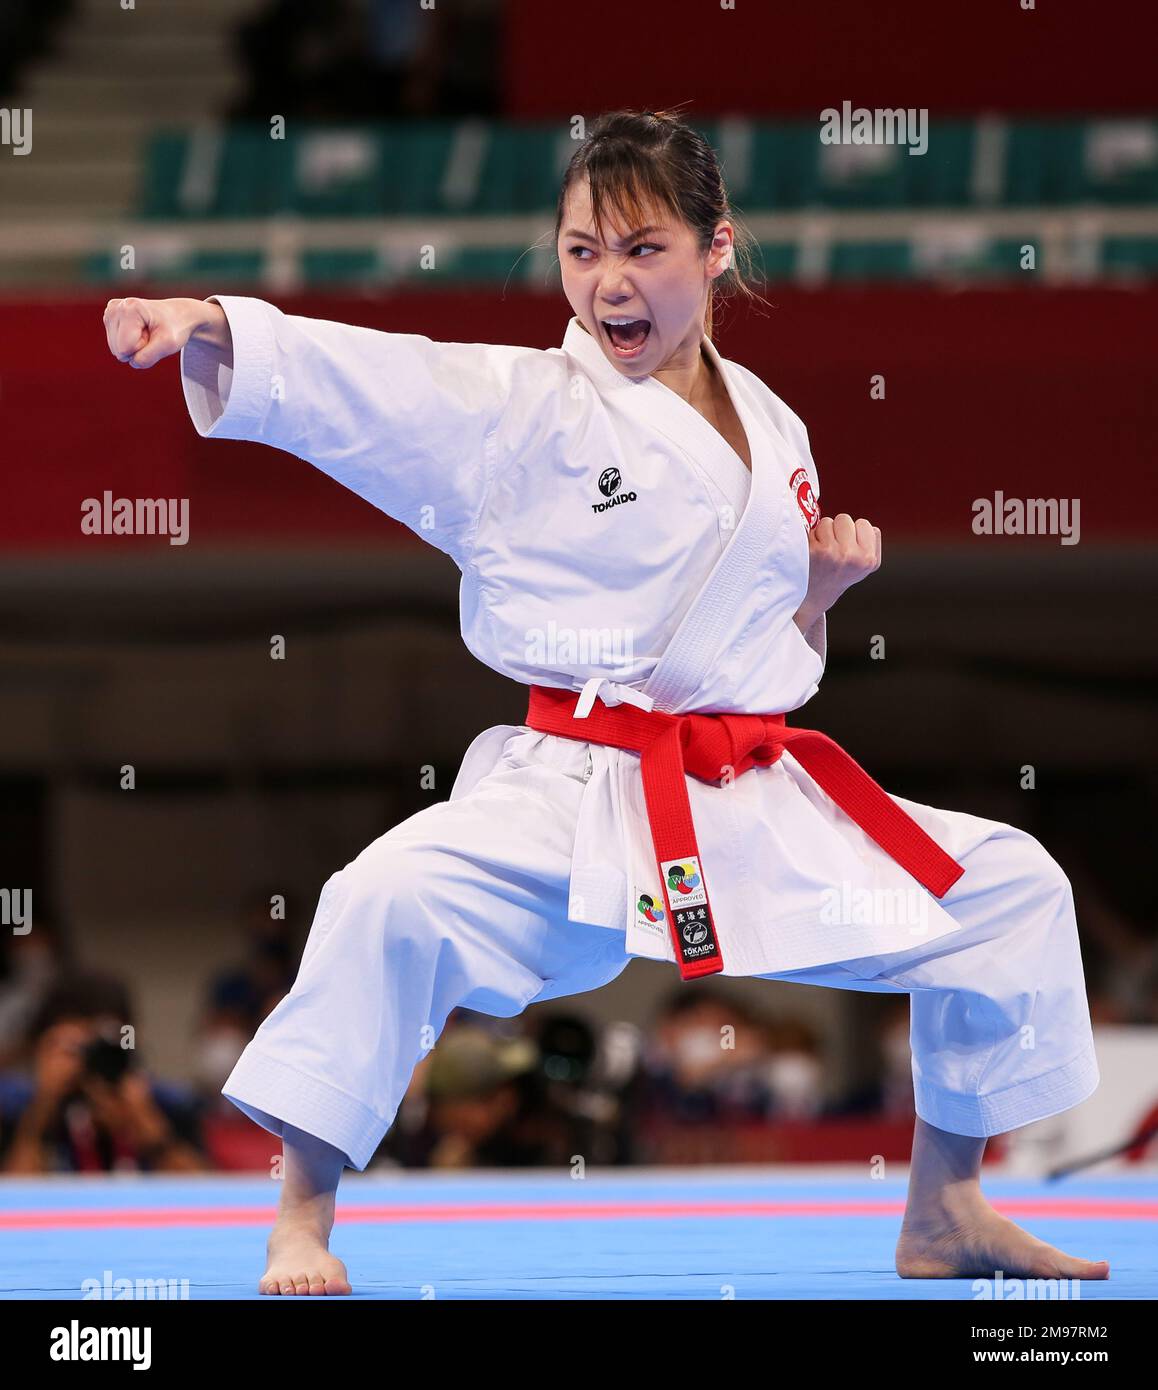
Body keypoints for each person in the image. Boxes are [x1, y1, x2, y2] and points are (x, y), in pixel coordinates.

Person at [103, 108, 1105, 1294]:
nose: (606, 284)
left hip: (744, 790)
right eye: (582, 251)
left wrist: (821, 588)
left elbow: (761, 648)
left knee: (1010, 888)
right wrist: (212, 323)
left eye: (641, 251)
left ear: (716, 247)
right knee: (382, 898)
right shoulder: (526, 409)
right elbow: (382, 380)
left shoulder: (775, 425)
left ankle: (944, 1208)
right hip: (573, 792)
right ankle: (301, 1221)